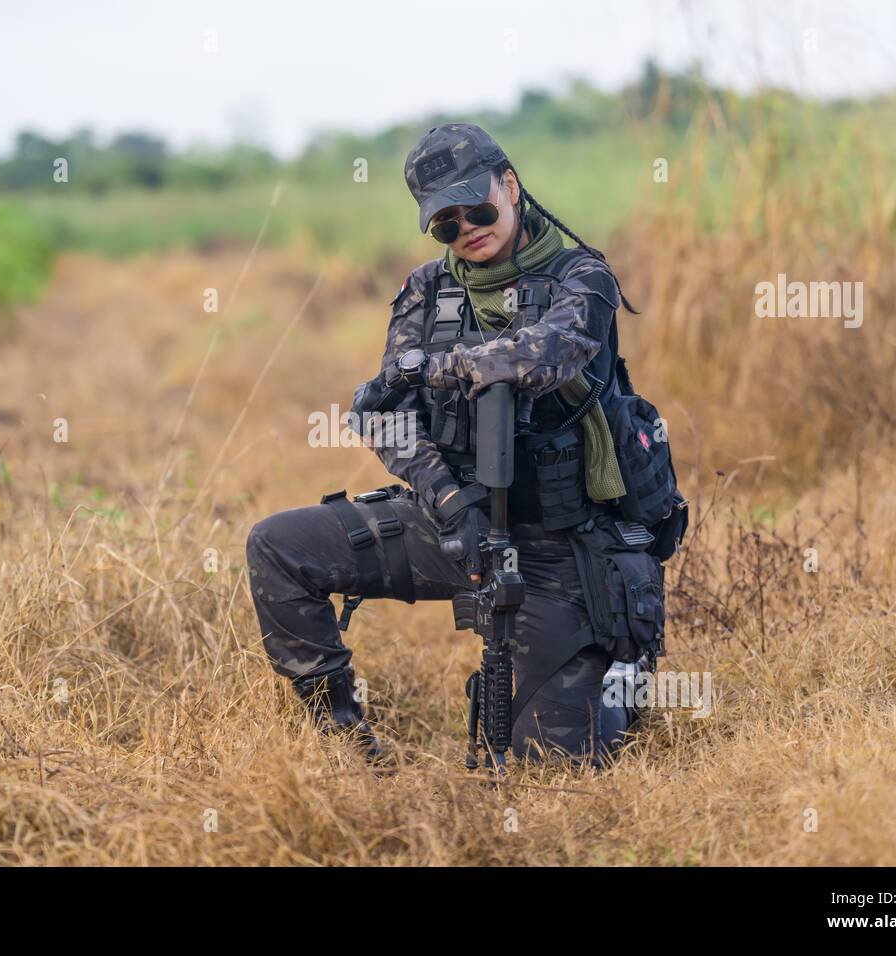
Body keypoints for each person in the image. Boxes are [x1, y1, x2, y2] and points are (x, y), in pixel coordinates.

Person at [245, 123, 674, 767]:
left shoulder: (581, 277)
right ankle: (345, 743)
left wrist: (434, 368)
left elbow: (541, 360)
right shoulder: (427, 289)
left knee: (546, 770)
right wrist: (450, 501)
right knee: (278, 547)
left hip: (560, 548)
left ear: (511, 184)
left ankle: (618, 672)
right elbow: (384, 415)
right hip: (455, 524)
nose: (468, 229)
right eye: (446, 224)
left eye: (478, 209)